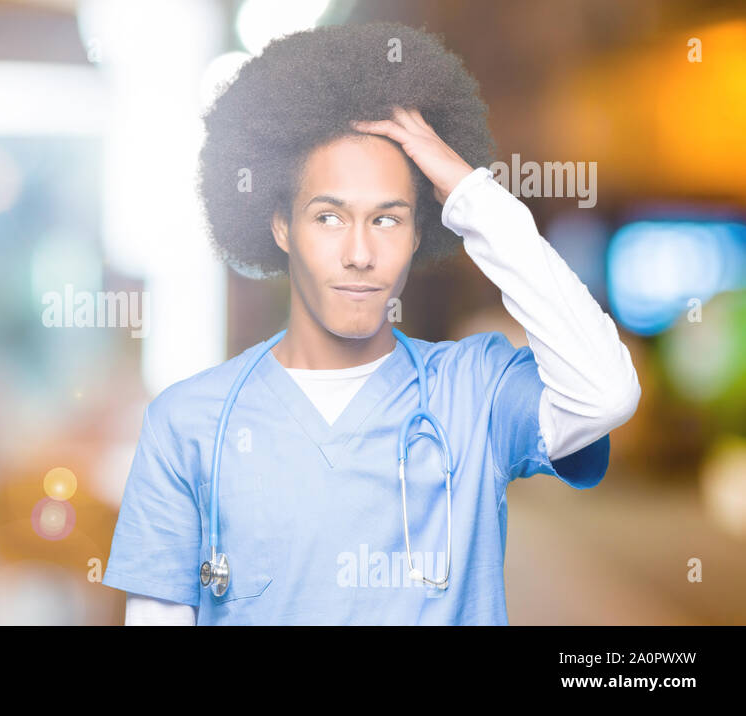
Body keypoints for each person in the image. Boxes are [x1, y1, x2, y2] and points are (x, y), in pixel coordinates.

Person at [100, 22, 641, 625]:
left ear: (419, 232)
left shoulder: (477, 391)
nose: (360, 253)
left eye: (388, 219)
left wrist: (471, 197)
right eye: (329, 217)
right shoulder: (188, 424)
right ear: (281, 226)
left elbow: (605, 395)